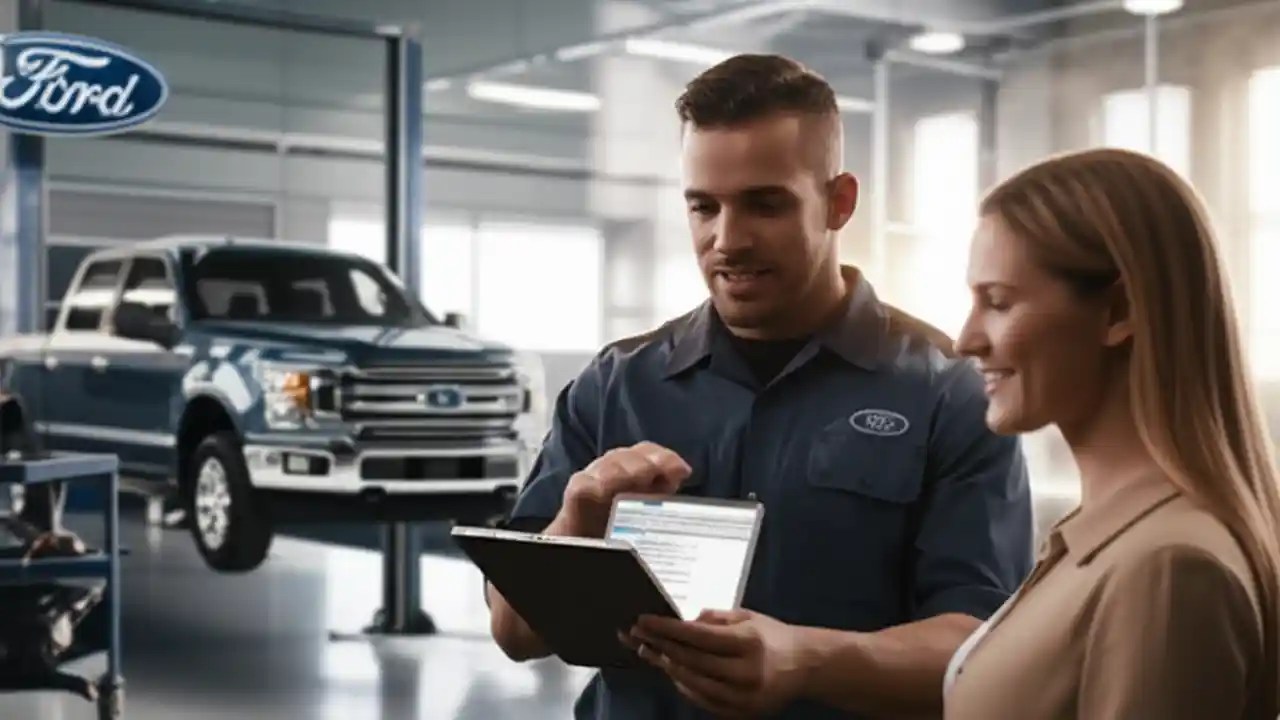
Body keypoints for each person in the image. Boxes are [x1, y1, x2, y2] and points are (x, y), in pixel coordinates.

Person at [487, 53, 1034, 719]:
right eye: (703, 206)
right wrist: (576, 523)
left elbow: (978, 647)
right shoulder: (614, 386)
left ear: (839, 202)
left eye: (764, 204)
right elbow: (514, 634)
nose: (728, 239)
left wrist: (806, 660)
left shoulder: (949, 393)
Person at [944, 148, 1280, 719]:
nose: (965, 339)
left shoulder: (1167, 567)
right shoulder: (1111, 539)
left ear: (1118, 310)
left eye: (998, 303)